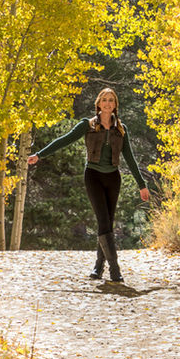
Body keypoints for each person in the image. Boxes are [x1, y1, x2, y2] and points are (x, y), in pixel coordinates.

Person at [27, 87, 149, 282]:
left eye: (111, 100)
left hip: (113, 178)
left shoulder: (121, 129)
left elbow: (130, 158)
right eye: (105, 100)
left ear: (115, 105)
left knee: (108, 222)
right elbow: (63, 140)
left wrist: (142, 185)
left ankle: (98, 266)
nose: (108, 103)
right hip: (93, 176)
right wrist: (39, 155)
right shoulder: (88, 125)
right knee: (102, 220)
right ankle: (114, 268)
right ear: (99, 104)